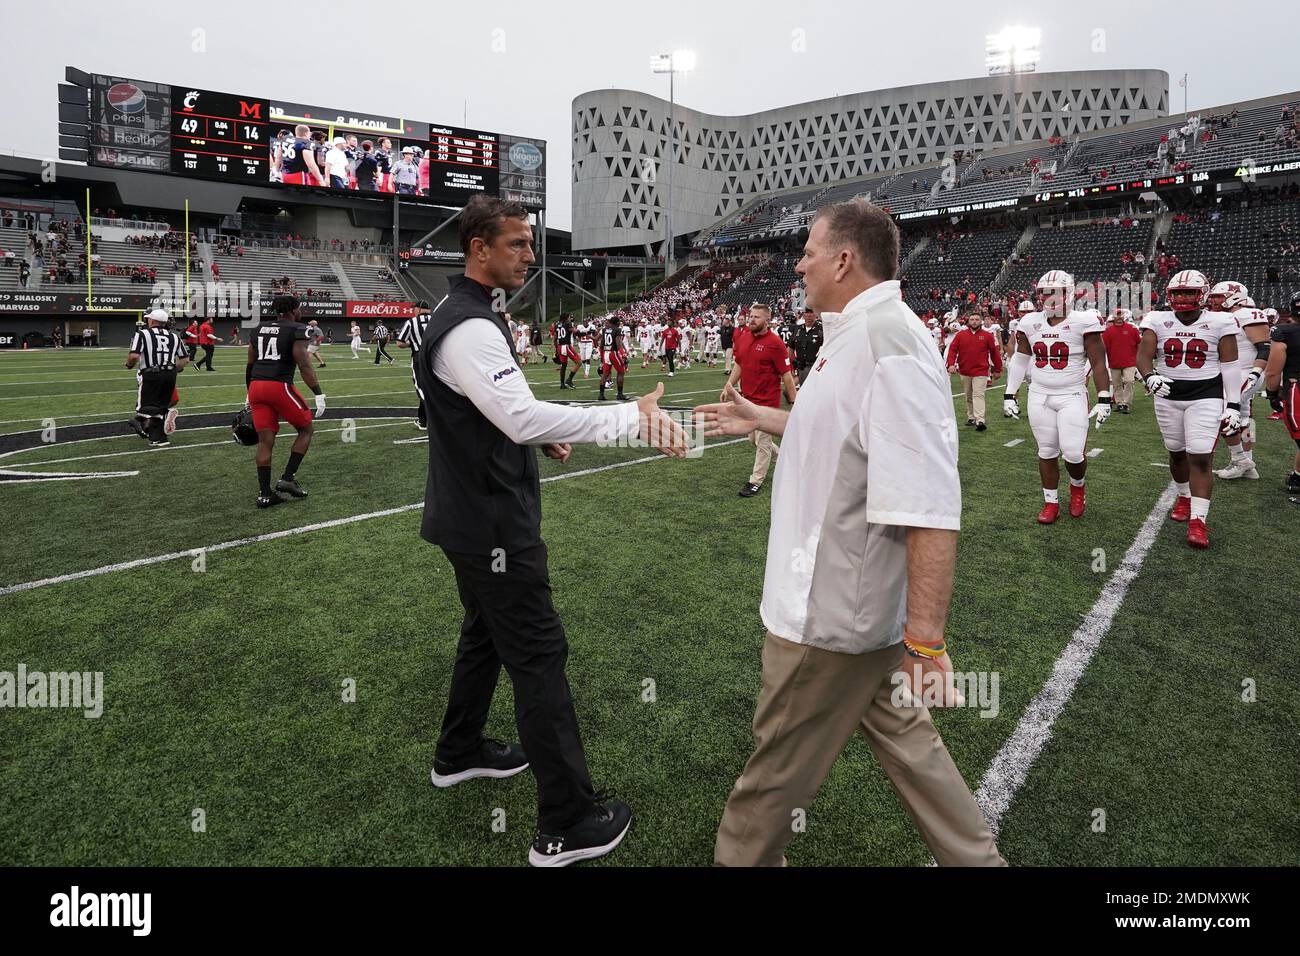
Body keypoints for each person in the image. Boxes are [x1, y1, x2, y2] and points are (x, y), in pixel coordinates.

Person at [693, 199, 1005, 868]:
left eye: (809, 249)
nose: (799, 262)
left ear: (843, 259)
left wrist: (926, 643)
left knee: (764, 793)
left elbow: (927, 504)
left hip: (828, 621)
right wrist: (763, 417)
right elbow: (842, 437)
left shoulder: (885, 342)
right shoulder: (858, 331)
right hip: (853, 614)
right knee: (916, 757)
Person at [413, 194, 687, 867]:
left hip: (466, 516)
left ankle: (460, 751)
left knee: (483, 635)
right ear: (478, 246)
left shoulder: (461, 316)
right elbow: (519, 417)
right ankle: (565, 823)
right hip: (493, 524)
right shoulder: (471, 326)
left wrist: (530, 441)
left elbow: (479, 415)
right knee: (538, 656)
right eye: (517, 244)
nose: (531, 256)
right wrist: (629, 420)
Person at [1137, 270, 1242, 549]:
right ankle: (1183, 496)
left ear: (1203, 294)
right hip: (1168, 394)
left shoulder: (1220, 320)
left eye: (1189, 292)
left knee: (1200, 456)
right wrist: (1150, 376)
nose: (1182, 298)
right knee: (1176, 452)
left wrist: (1233, 404)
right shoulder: (1158, 319)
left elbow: (1230, 366)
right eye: (1178, 292)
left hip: (1205, 394)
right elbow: (1144, 355)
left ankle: (1198, 521)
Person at [1002, 271, 1112, 524]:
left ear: (1069, 293)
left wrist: (1104, 396)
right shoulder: (1029, 322)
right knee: (1047, 451)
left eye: (1056, 292)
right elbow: (1021, 359)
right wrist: (1010, 393)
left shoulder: (1085, 320)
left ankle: (1077, 487)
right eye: (1045, 292)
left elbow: (1098, 362)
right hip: (1039, 394)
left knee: (1073, 453)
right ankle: (1051, 502)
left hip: (1071, 393)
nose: (1050, 298)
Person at [245, 295, 326, 509]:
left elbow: (250, 363)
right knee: (306, 429)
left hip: (255, 386)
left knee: (265, 440)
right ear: (293, 309)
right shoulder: (298, 328)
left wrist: (248, 392)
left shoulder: (258, 328)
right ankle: (287, 478)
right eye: (298, 308)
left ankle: (265, 494)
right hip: (279, 385)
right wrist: (318, 392)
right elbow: (304, 364)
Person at [722, 303, 797, 498]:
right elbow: (739, 364)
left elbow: (787, 376)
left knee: (763, 442)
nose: (751, 320)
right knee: (752, 439)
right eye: (751, 316)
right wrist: (728, 385)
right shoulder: (745, 336)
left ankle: (755, 481)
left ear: (767, 320)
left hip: (767, 402)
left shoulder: (775, 343)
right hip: (749, 400)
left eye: (756, 317)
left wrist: (794, 401)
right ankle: (784, 459)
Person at [1209, 286, 1271, 481]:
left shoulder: (1247, 314)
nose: (1214, 301)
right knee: (1244, 417)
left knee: (1222, 411)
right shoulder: (1222, 316)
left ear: (1234, 296)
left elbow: (1264, 347)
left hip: (1245, 373)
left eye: (1219, 297)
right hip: (1235, 374)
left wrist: (1256, 371)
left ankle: (1239, 459)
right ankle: (1249, 465)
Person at [125, 309, 189, 446]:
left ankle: (140, 421)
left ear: (152, 321)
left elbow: (134, 356)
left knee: (145, 407)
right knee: (161, 406)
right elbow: (185, 359)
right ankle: (158, 438)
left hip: (151, 373)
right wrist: (172, 369)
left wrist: (128, 365)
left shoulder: (142, 334)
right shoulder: (174, 337)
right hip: (170, 374)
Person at [1265, 290, 1300, 495]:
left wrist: (1272, 394)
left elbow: (1273, 370)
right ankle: (1297, 477)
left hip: (1296, 390)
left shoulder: (1284, 332)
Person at [945, 313, 1002, 431]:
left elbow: (994, 353)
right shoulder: (961, 335)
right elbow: (952, 350)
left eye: (977, 319)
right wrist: (951, 364)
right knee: (968, 395)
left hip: (981, 371)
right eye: (972, 319)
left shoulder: (987, 335)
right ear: (968, 321)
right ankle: (971, 417)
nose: (974, 321)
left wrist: (997, 369)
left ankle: (980, 420)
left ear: (980, 321)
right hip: (965, 370)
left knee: (978, 394)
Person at [395, 301, 432, 429]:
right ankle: (422, 420)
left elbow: (399, 343)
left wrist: (411, 343)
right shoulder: (437, 319)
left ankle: (435, 418)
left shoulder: (412, 322)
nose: (413, 311)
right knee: (435, 387)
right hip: (438, 357)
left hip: (420, 357)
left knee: (421, 389)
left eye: (414, 309)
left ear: (419, 308)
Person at [1101, 308, 1141, 414]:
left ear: (1124, 316)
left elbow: (1139, 343)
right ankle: (1119, 403)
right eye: (1117, 315)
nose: (1119, 317)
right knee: (1116, 384)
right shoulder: (1108, 331)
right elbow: (1104, 346)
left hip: (1130, 361)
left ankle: (1126, 404)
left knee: (1129, 381)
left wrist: (1137, 356)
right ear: (1113, 317)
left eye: (1121, 315)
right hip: (1114, 361)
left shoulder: (1132, 329)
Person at [597, 316, 629, 401]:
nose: (620, 323)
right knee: (621, 371)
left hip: (606, 353)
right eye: (619, 322)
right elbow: (618, 345)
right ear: (617, 322)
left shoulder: (604, 330)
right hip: (613, 353)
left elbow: (602, 344)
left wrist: (601, 355)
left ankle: (601, 395)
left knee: (605, 374)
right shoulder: (617, 330)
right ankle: (619, 394)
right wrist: (623, 354)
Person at [553, 313, 581, 389]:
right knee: (579, 362)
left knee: (563, 366)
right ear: (566, 318)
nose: (569, 318)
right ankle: (569, 380)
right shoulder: (568, 323)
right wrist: (583, 333)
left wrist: (556, 349)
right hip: (566, 346)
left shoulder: (557, 325)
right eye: (568, 317)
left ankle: (562, 384)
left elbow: (555, 339)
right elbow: (576, 332)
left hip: (560, 346)